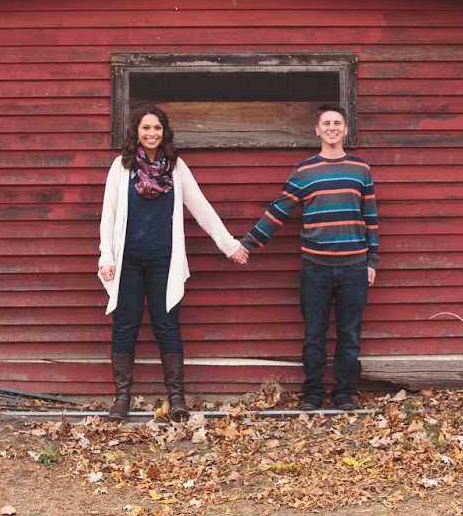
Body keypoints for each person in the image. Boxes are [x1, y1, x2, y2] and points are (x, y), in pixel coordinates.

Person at [98, 105, 247, 421]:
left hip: (164, 262)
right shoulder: (121, 167)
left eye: (157, 128)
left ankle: (176, 398)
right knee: (125, 327)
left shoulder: (176, 169)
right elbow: (108, 215)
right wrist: (106, 257)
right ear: (136, 132)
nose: (151, 133)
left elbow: (201, 208)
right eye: (145, 128)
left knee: (167, 327)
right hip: (129, 263)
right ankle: (122, 399)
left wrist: (230, 245)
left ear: (164, 132)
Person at [240, 104, 378, 410]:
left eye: (337, 123)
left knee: (349, 335)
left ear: (345, 129)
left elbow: (370, 217)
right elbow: (279, 210)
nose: (332, 127)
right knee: (313, 335)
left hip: (354, 267)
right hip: (315, 268)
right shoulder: (304, 172)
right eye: (326, 123)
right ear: (317, 130)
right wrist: (248, 243)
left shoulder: (361, 170)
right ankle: (313, 393)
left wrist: (372, 260)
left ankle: (344, 393)